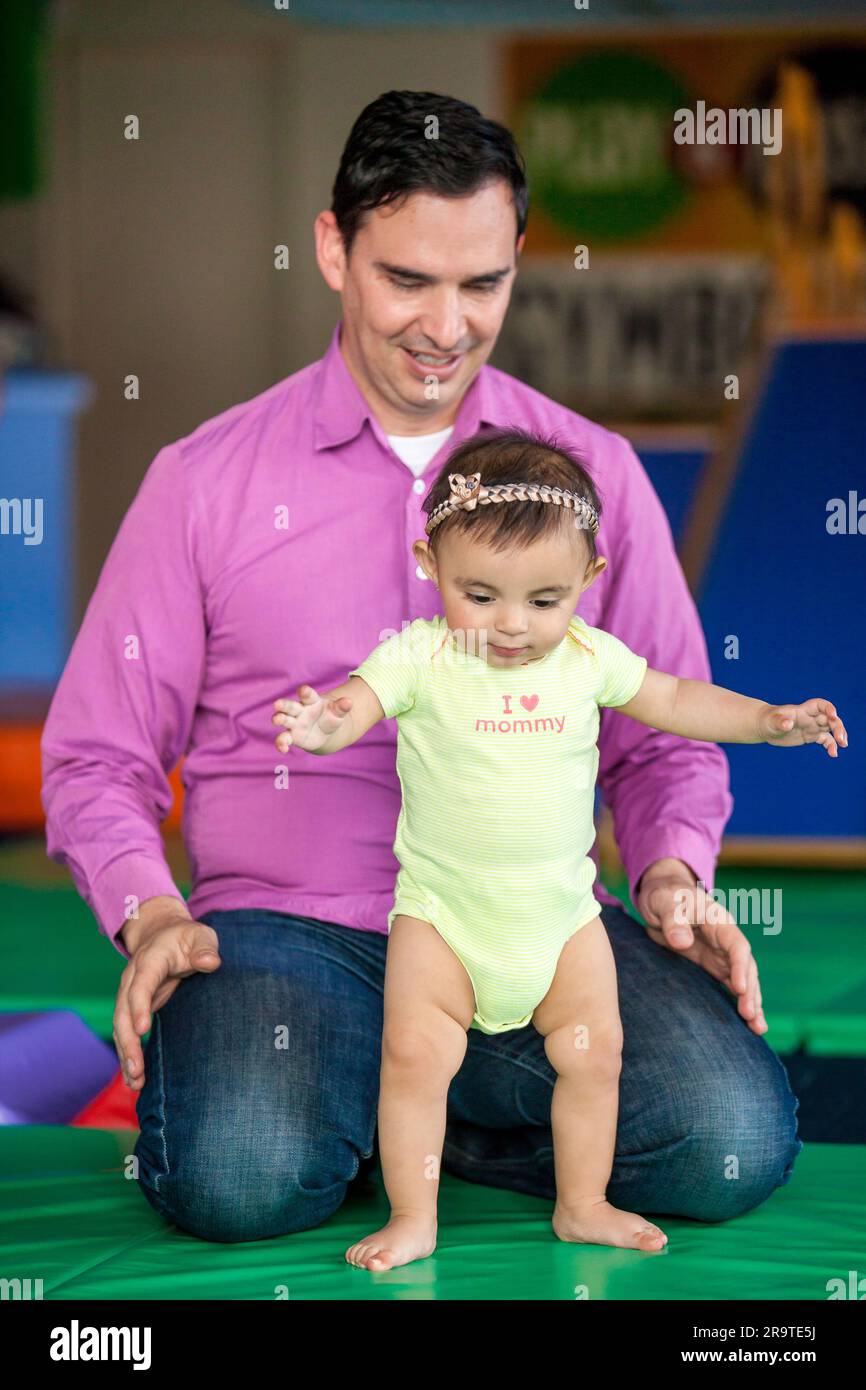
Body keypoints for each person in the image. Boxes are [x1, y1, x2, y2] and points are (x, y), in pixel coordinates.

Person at [42, 90, 804, 1245]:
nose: (444, 326)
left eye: (480, 284)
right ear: (334, 250)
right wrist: (150, 913)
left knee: (726, 1133)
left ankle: (393, 1114)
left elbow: (662, 738)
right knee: (235, 1173)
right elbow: (99, 752)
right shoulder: (202, 482)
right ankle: (390, 1107)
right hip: (288, 932)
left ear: (515, 264)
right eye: (407, 279)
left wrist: (668, 876)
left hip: (535, 925)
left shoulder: (588, 477)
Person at [273, 429, 845, 1269]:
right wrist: (326, 725)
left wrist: (771, 721)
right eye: (480, 595)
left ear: (590, 579)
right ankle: (413, 1215)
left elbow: (678, 698)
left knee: (595, 1057)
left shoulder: (589, 660)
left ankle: (582, 1204)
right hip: (443, 918)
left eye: (544, 600)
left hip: (563, 919)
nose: (511, 626)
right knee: (414, 1059)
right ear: (428, 563)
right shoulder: (422, 656)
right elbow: (359, 700)